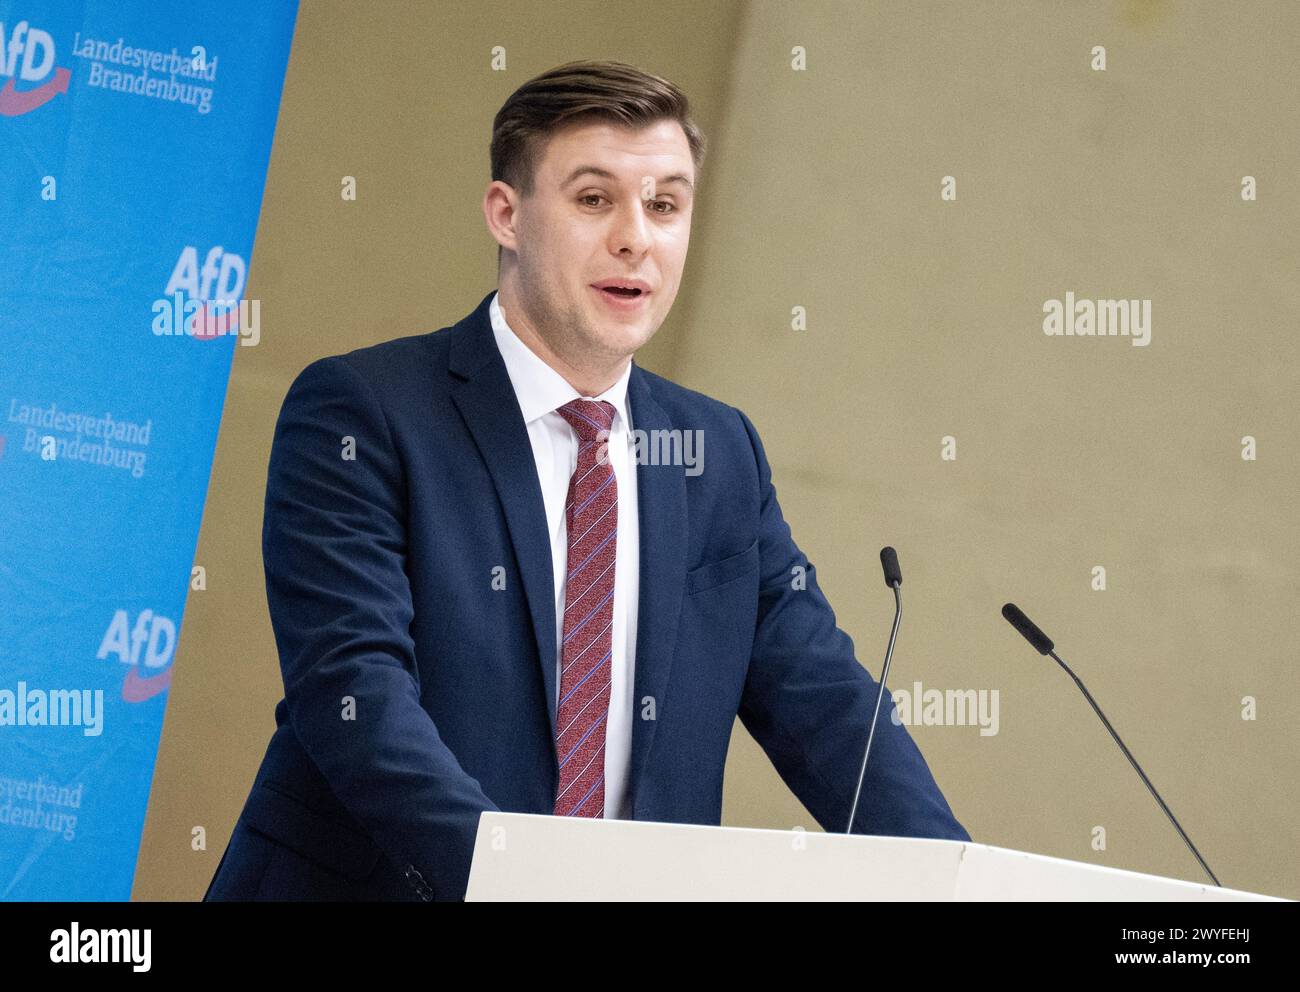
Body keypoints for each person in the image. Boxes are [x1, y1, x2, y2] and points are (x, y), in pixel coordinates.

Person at [204, 59, 969, 902]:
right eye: (595, 199)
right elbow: (355, 695)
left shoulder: (717, 451)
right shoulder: (366, 412)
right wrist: (517, 884)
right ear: (506, 214)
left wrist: (960, 880)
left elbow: (824, 705)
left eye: (666, 205)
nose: (636, 237)